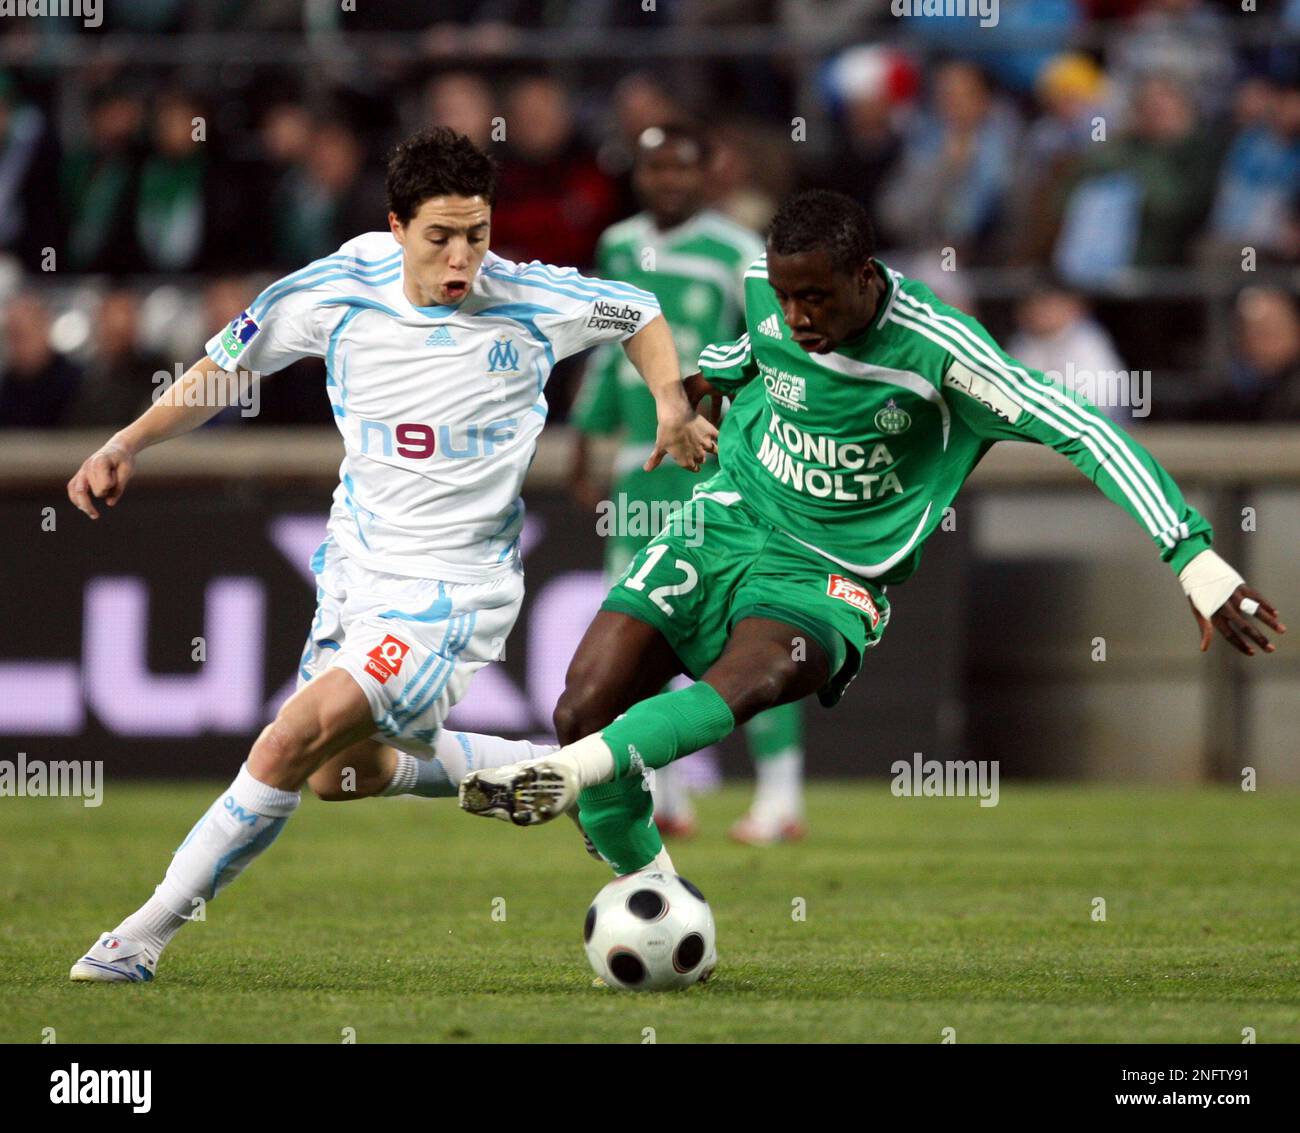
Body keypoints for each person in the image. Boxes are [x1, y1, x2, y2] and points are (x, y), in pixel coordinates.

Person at [458, 190, 1286, 881]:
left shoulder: (942, 355)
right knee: (582, 704)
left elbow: (1086, 430)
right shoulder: (768, 288)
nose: (799, 313)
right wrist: (710, 377)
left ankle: (566, 777)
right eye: (787, 295)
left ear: (865, 276)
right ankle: (651, 888)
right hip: (727, 519)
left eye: (817, 296)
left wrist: (1193, 554)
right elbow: (755, 346)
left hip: (829, 574)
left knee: (742, 685)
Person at [63, 127, 716, 982]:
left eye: (476, 235)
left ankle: (138, 939)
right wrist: (129, 442)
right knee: (343, 772)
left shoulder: (528, 300)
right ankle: (551, 774)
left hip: (454, 590)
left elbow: (640, 312)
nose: (462, 259)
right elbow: (228, 367)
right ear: (396, 225)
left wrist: (670, 398)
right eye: (440, 237)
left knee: (286, 739)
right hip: (354, 573)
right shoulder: (335, 289)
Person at [570, 123, 806, 846]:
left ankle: (780, 797)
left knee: (750, 627)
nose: (667, 181)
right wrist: (586, 438)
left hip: (718, 469)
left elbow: (775, 355)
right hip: (637, 471)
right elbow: (611, 355)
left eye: (681, 168)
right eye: (653, 168)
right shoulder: (615, 244)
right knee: (644, 632)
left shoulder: (739, 255)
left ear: (709, 174)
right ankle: (664, 797)